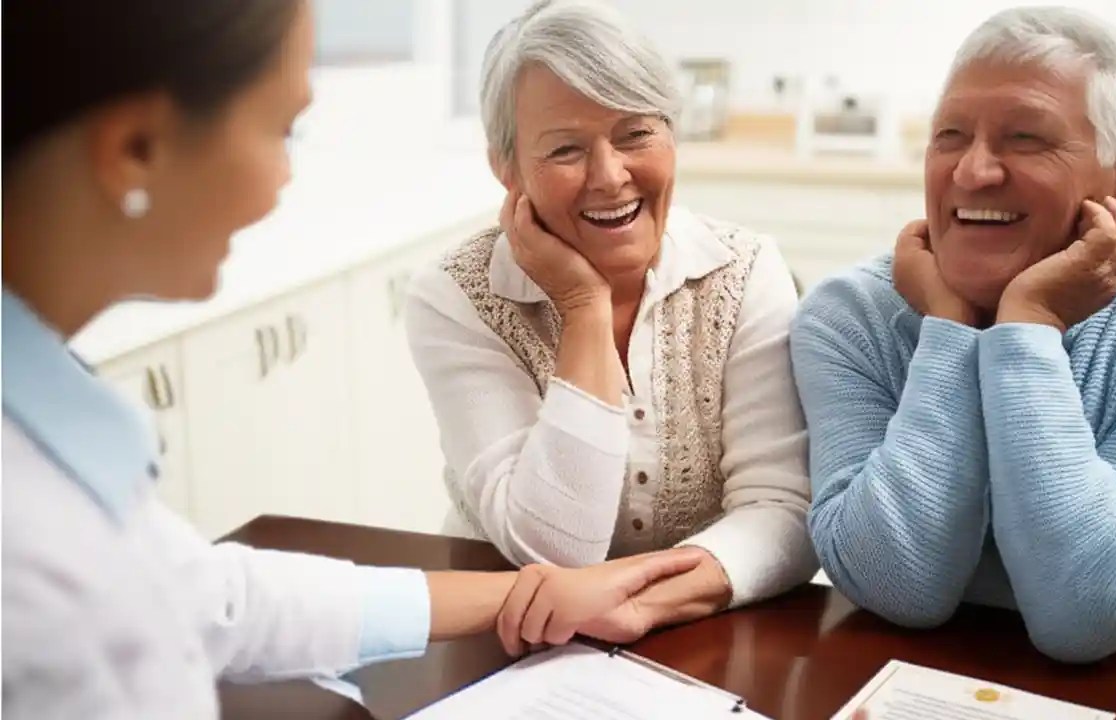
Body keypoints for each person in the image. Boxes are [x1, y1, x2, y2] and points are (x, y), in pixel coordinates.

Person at [0, 2, 706, 716]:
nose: (283, 179)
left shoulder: (50, 457)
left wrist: (521, 596)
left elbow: (213, 598)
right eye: (284, 129)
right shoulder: (34, 553)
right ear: (136, 149)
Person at [791, 6, 1116, 663]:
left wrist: (1028, 326)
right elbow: (897, 585)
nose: (972, 172)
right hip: (918, 674)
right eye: (950, 135)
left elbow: (1092, 615)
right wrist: (950, 328)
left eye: (1026, 139)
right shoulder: (849, 314)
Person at [406, 0, 817, 647]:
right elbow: (550, 547)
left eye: (635, 135)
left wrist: (643, 604)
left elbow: (783, 510)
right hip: (510, 632)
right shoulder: (457, 295)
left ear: (671, 136)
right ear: (507, 169)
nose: (609, 176)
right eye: (566, 148)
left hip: (702, 633)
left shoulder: (745, 269)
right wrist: (583, 308)